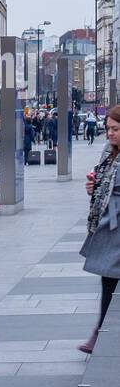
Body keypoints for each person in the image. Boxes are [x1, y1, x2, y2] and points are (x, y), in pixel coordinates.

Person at [78, 104, 120, 353]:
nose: (110, 134)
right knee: (108, 279)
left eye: (115, 129)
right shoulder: (109, 151)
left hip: (114, 222)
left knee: (110, 278)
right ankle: (100, 332)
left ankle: (100, 333)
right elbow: (100, 178)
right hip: (109, 224)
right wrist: (94, 186)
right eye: (108, 129)